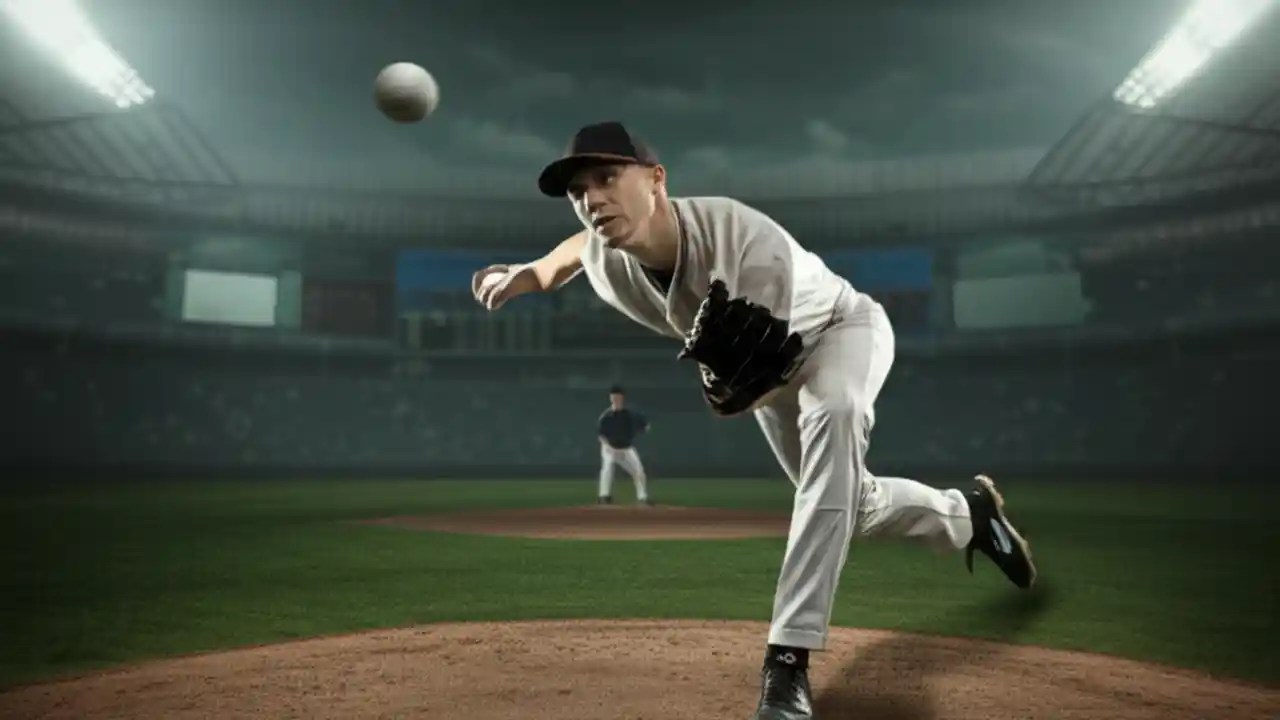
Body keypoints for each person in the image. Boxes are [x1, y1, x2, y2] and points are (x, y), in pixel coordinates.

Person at [471, 121, 1037, 720]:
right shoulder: (607, 259)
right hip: (769, 379)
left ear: (657, 180)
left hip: (837, 333)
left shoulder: (739, 234)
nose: (592, 200)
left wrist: (729, 386)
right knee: (852, 503)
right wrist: (525, 276)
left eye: (608, 177)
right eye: (578, 191)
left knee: (837, 412)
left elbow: (766, 359)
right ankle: (968, 516)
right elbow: (570, 254)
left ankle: (787, 661)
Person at [596, 384, 651, 505]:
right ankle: (604, 496)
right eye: (614, 398)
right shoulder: (606, 416)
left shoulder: (630, 414)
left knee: (639, 471)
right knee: (607, 467)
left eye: (618, 398)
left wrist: (643, 428)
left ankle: (642, 497)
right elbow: (601, 436)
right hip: (609, 448)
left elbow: (645, 424)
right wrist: (610, 448)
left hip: (626, 448)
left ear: (622, 399)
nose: (616, 400)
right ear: (611, 399)